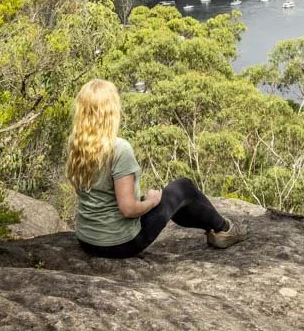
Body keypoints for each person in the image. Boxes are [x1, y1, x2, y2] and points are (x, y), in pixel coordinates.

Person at [66, 78, 246, 258]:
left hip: (87, 240)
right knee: (183, 187)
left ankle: (215, 229)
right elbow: (128, 209)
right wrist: (151, 201)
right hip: (120, 243)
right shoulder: (119, 149)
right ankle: (224, 229)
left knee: (178, 202)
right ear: (111, 111)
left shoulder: (77, 144)